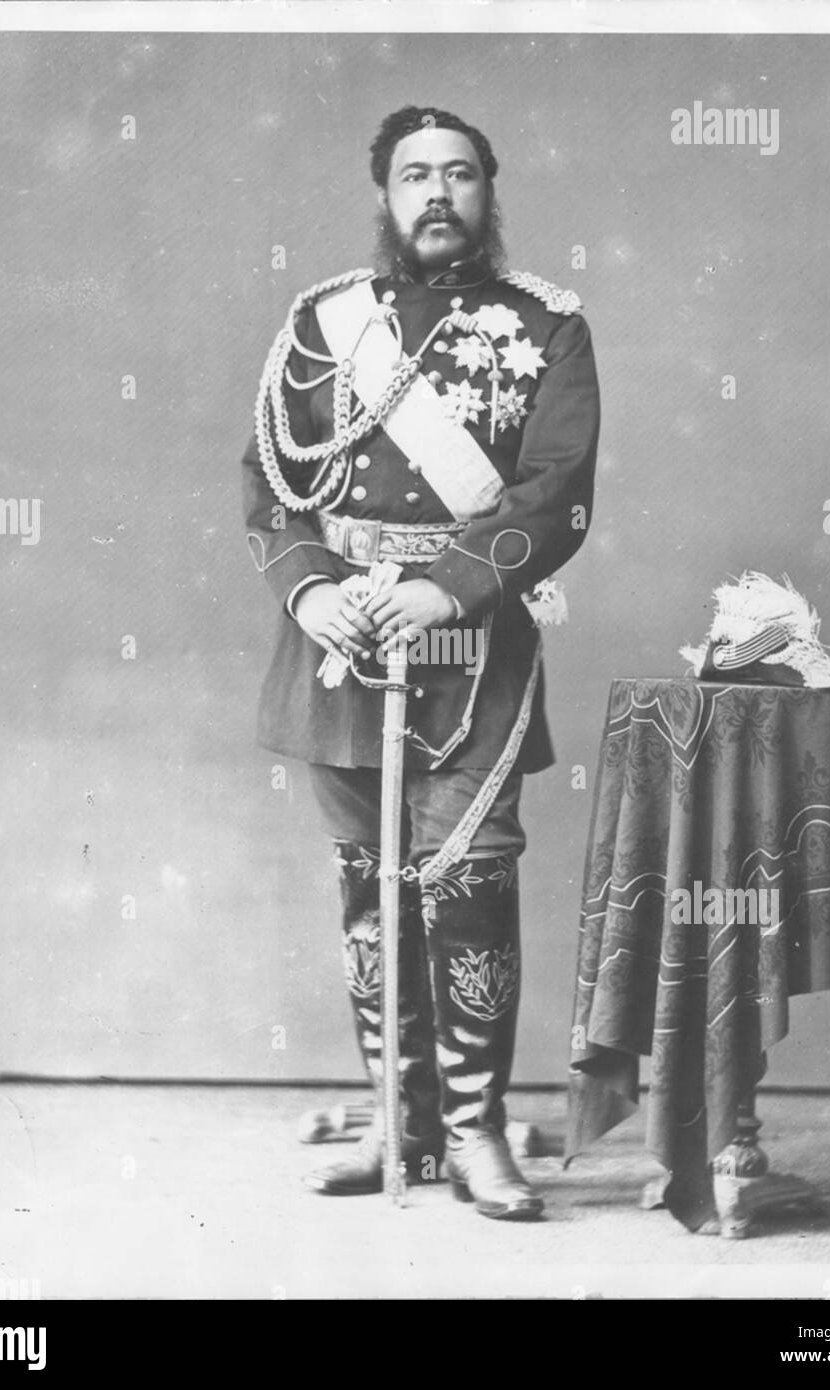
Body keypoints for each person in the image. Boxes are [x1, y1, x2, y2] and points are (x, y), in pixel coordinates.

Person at [242, 105, 600, 1220]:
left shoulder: (545, 326)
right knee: (368, 889)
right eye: (413, 176)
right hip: (342, 640)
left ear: (487, 192)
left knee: (470, 883)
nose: (435, 194)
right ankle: (397, 1124)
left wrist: (446, 583)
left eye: (457, 175)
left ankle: (474, 1132)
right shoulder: (321, 324)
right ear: (384, 195)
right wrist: (310, 591)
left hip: (473, 641)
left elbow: (557, 490)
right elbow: (269, 483)